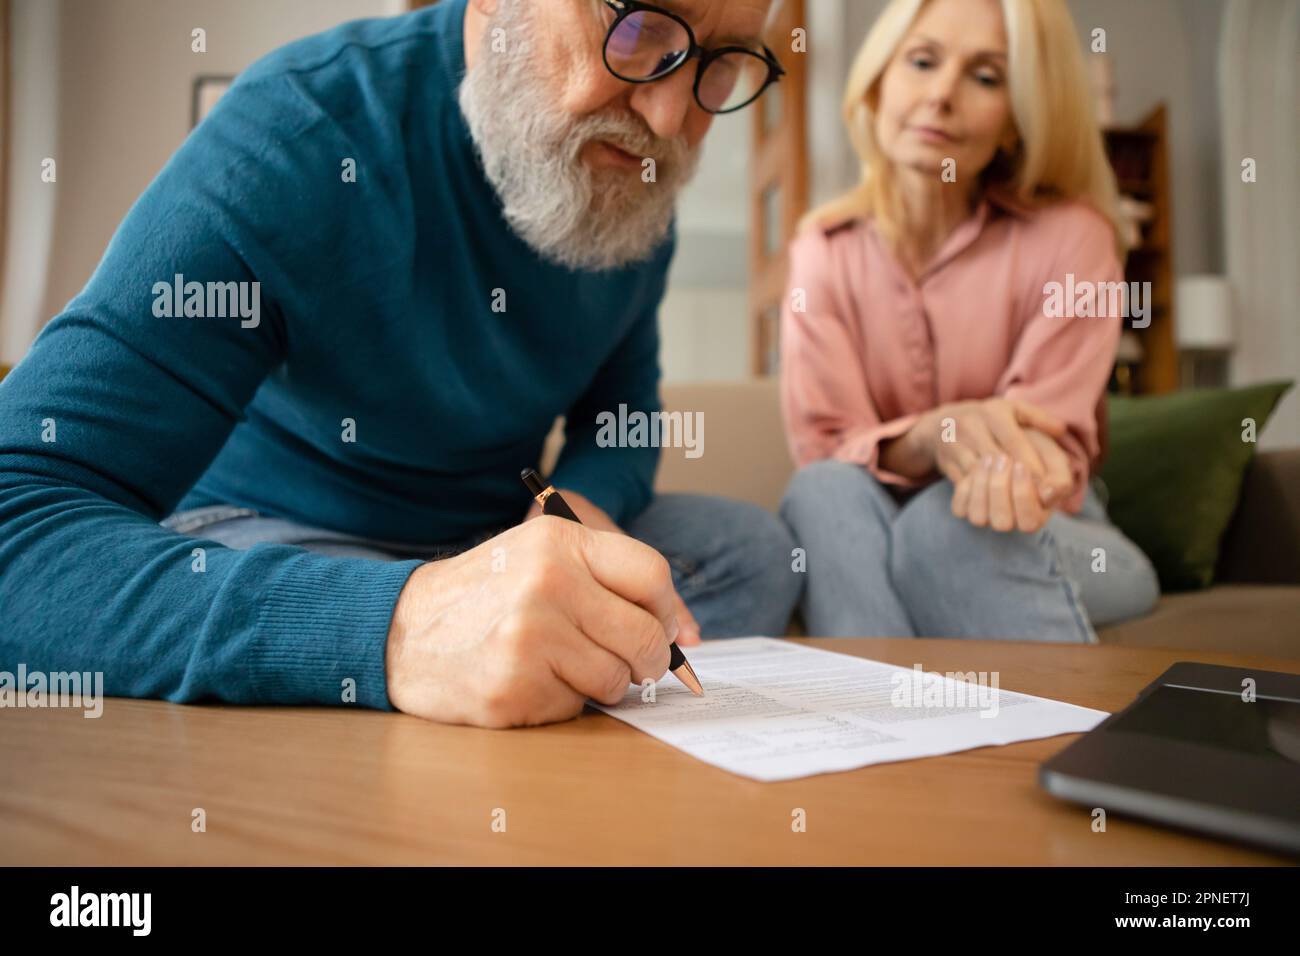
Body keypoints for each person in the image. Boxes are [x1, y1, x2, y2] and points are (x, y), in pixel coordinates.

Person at [0, 0, 802, 728]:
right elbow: (16, 524)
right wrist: (397, 626)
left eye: (723, 62)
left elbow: (622, 406)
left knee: (750, 550)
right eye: (635, 28)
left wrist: (581, 501)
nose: (667, 118)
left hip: (487, 537)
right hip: (282, 537)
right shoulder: (297, 132)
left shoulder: (633, 181)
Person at [778, 0, 1159, 643]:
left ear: (1017, 119)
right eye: (922, 61)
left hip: (1049, 524)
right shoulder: (825, 249)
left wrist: (994, 461)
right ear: (877, 81)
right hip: (871, 518)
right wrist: (932, 436)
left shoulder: (1073, 239)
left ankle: (1068, 741)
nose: (941, 95)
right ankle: (870, 727)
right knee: (821, 493)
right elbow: (826, 445)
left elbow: (1039, 446)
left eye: (986, 77)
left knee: (943, 527)